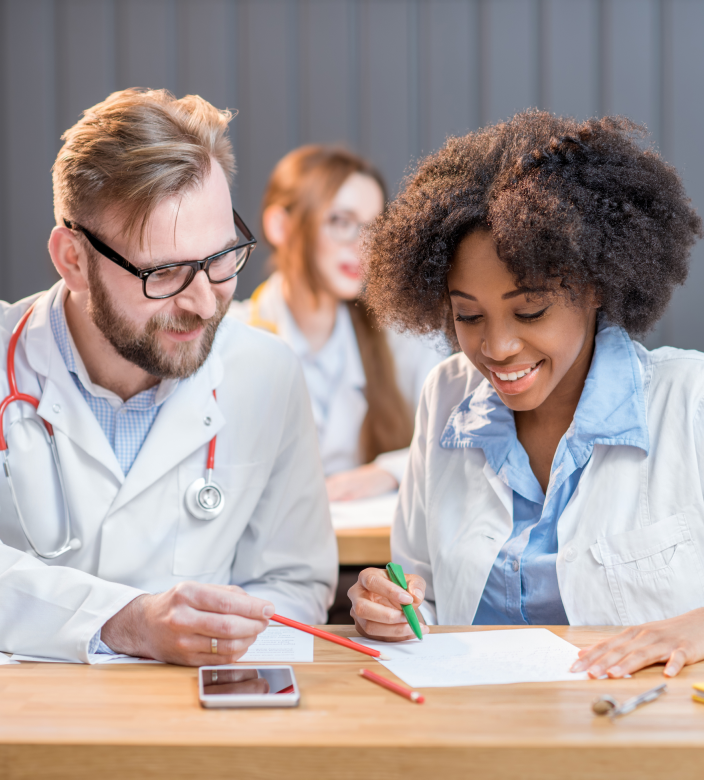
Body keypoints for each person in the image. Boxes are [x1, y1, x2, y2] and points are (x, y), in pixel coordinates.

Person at [349, 111, 704, 679]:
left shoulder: (689, 400)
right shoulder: (446, 396)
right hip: (475, 731)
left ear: (594, 287)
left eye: (530, 310)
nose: (498, 346)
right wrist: (392, 606)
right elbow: (423, 590)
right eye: (468, 315)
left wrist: (695, 627)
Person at [0, 88, 337, 665]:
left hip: (197, 725)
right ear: (73, 260)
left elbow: (293, 581)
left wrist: (232, 635)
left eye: (221, 257)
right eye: (166, 274)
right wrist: (126, 623)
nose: (206, 304)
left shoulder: (268, 373)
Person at [230, 146, 447, 501]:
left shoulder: (402, 335)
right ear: (280, 226)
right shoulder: (231, 336)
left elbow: (458, 437)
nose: (364, 246)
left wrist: (388, 472)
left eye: (374, 228)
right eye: (341, 222)